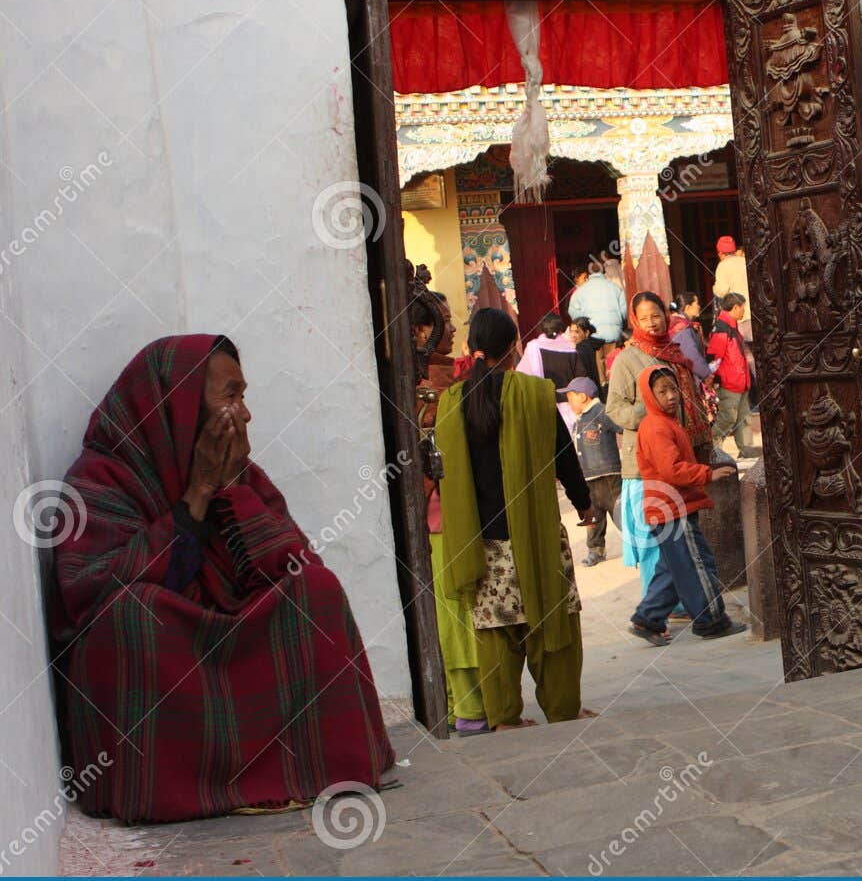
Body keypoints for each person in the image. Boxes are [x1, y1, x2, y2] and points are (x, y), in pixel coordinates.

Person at [50, 335, 393, 822]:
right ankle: (179, 788)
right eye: (231, 396)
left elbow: (290, 565)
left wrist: (229, 488)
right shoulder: (100, 479)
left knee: (316, 592)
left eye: (243, 395)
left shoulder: (242, 473)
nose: (245, 413)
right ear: (181, 407)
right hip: (171, 646)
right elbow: (88, 597)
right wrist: (197, 494)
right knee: (135, 618)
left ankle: (308, 765)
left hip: (227, 638)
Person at [434, 308, 597, 728]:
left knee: (495, 633)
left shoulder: (452, 403)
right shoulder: (535, 394)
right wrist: (584, 504)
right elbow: (564, 456)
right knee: (552, 621)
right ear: (513, 348)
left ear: (473, 348)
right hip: (537, 534)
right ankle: (564, 708)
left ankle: (504, 717)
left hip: (481, 542)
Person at [411, 290, 486, 736]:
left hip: (448, 513)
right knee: (456, 611)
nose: (451, 328)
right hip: (440, 517)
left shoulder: (452, 385)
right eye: (441, 321)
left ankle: (466, 703)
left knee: (458, 609)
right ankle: (470, 705)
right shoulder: (434, 389)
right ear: (420, 331)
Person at [628, 367, 746, 645]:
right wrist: (707, 474)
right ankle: (711, 621)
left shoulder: (663, 423)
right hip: (672, 508)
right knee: (697, 564)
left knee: (675, 567)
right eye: (662, 392)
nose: (671, 396)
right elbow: (671, 470)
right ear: (649, 395)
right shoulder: (657, 426)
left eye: (673, 389)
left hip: (669, 507)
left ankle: (648, 617)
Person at [607, 292, 715, 595]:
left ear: (666, 316)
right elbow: (614, 409)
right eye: (644, 318)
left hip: (679, 459)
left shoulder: (675, 350)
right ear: (634, 321)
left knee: (678, 539)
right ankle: (653, 610)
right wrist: (649, 414)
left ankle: (674, 605)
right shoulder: (627, 359)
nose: (652, 323)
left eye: (656, 315)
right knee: (655, 542)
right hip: (647, 465)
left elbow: (689, 397)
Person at [562, 377, 624, 567]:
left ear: (583, 397)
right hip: (588, 477)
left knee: (620, 512)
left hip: (608, 476)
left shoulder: (602, 412)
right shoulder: (578, 421)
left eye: (570, 398)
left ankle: (637, 542)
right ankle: (595, 550)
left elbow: (622, 426)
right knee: (593, 517)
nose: (568, 403)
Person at [706, 292, 758, 458]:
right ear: (735, 307)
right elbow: (714, 358)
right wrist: (712, 380)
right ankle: (713, 447)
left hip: (740, 381)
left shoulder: (732, 327)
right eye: (742, 308)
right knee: (727, 417)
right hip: (729, 382)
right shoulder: (721, 329)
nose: (744, 311)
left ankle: (746, 448)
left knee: (744, 418)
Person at [568, 263, 627, 343]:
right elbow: (624, 311)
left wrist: (585, 326)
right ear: (603, 272)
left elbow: (573, 312)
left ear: (589, 274)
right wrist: (618, 326)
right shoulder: (616, 288)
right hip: (614, 334)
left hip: (592, 336)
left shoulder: (579, 291)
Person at [567, 315, 604, 395]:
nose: (573, 335)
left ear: (586, 333)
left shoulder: (581, 348)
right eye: (571, 331)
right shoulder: (594, 345)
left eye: (577, 332)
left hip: (586, 391)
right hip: (596, 389)